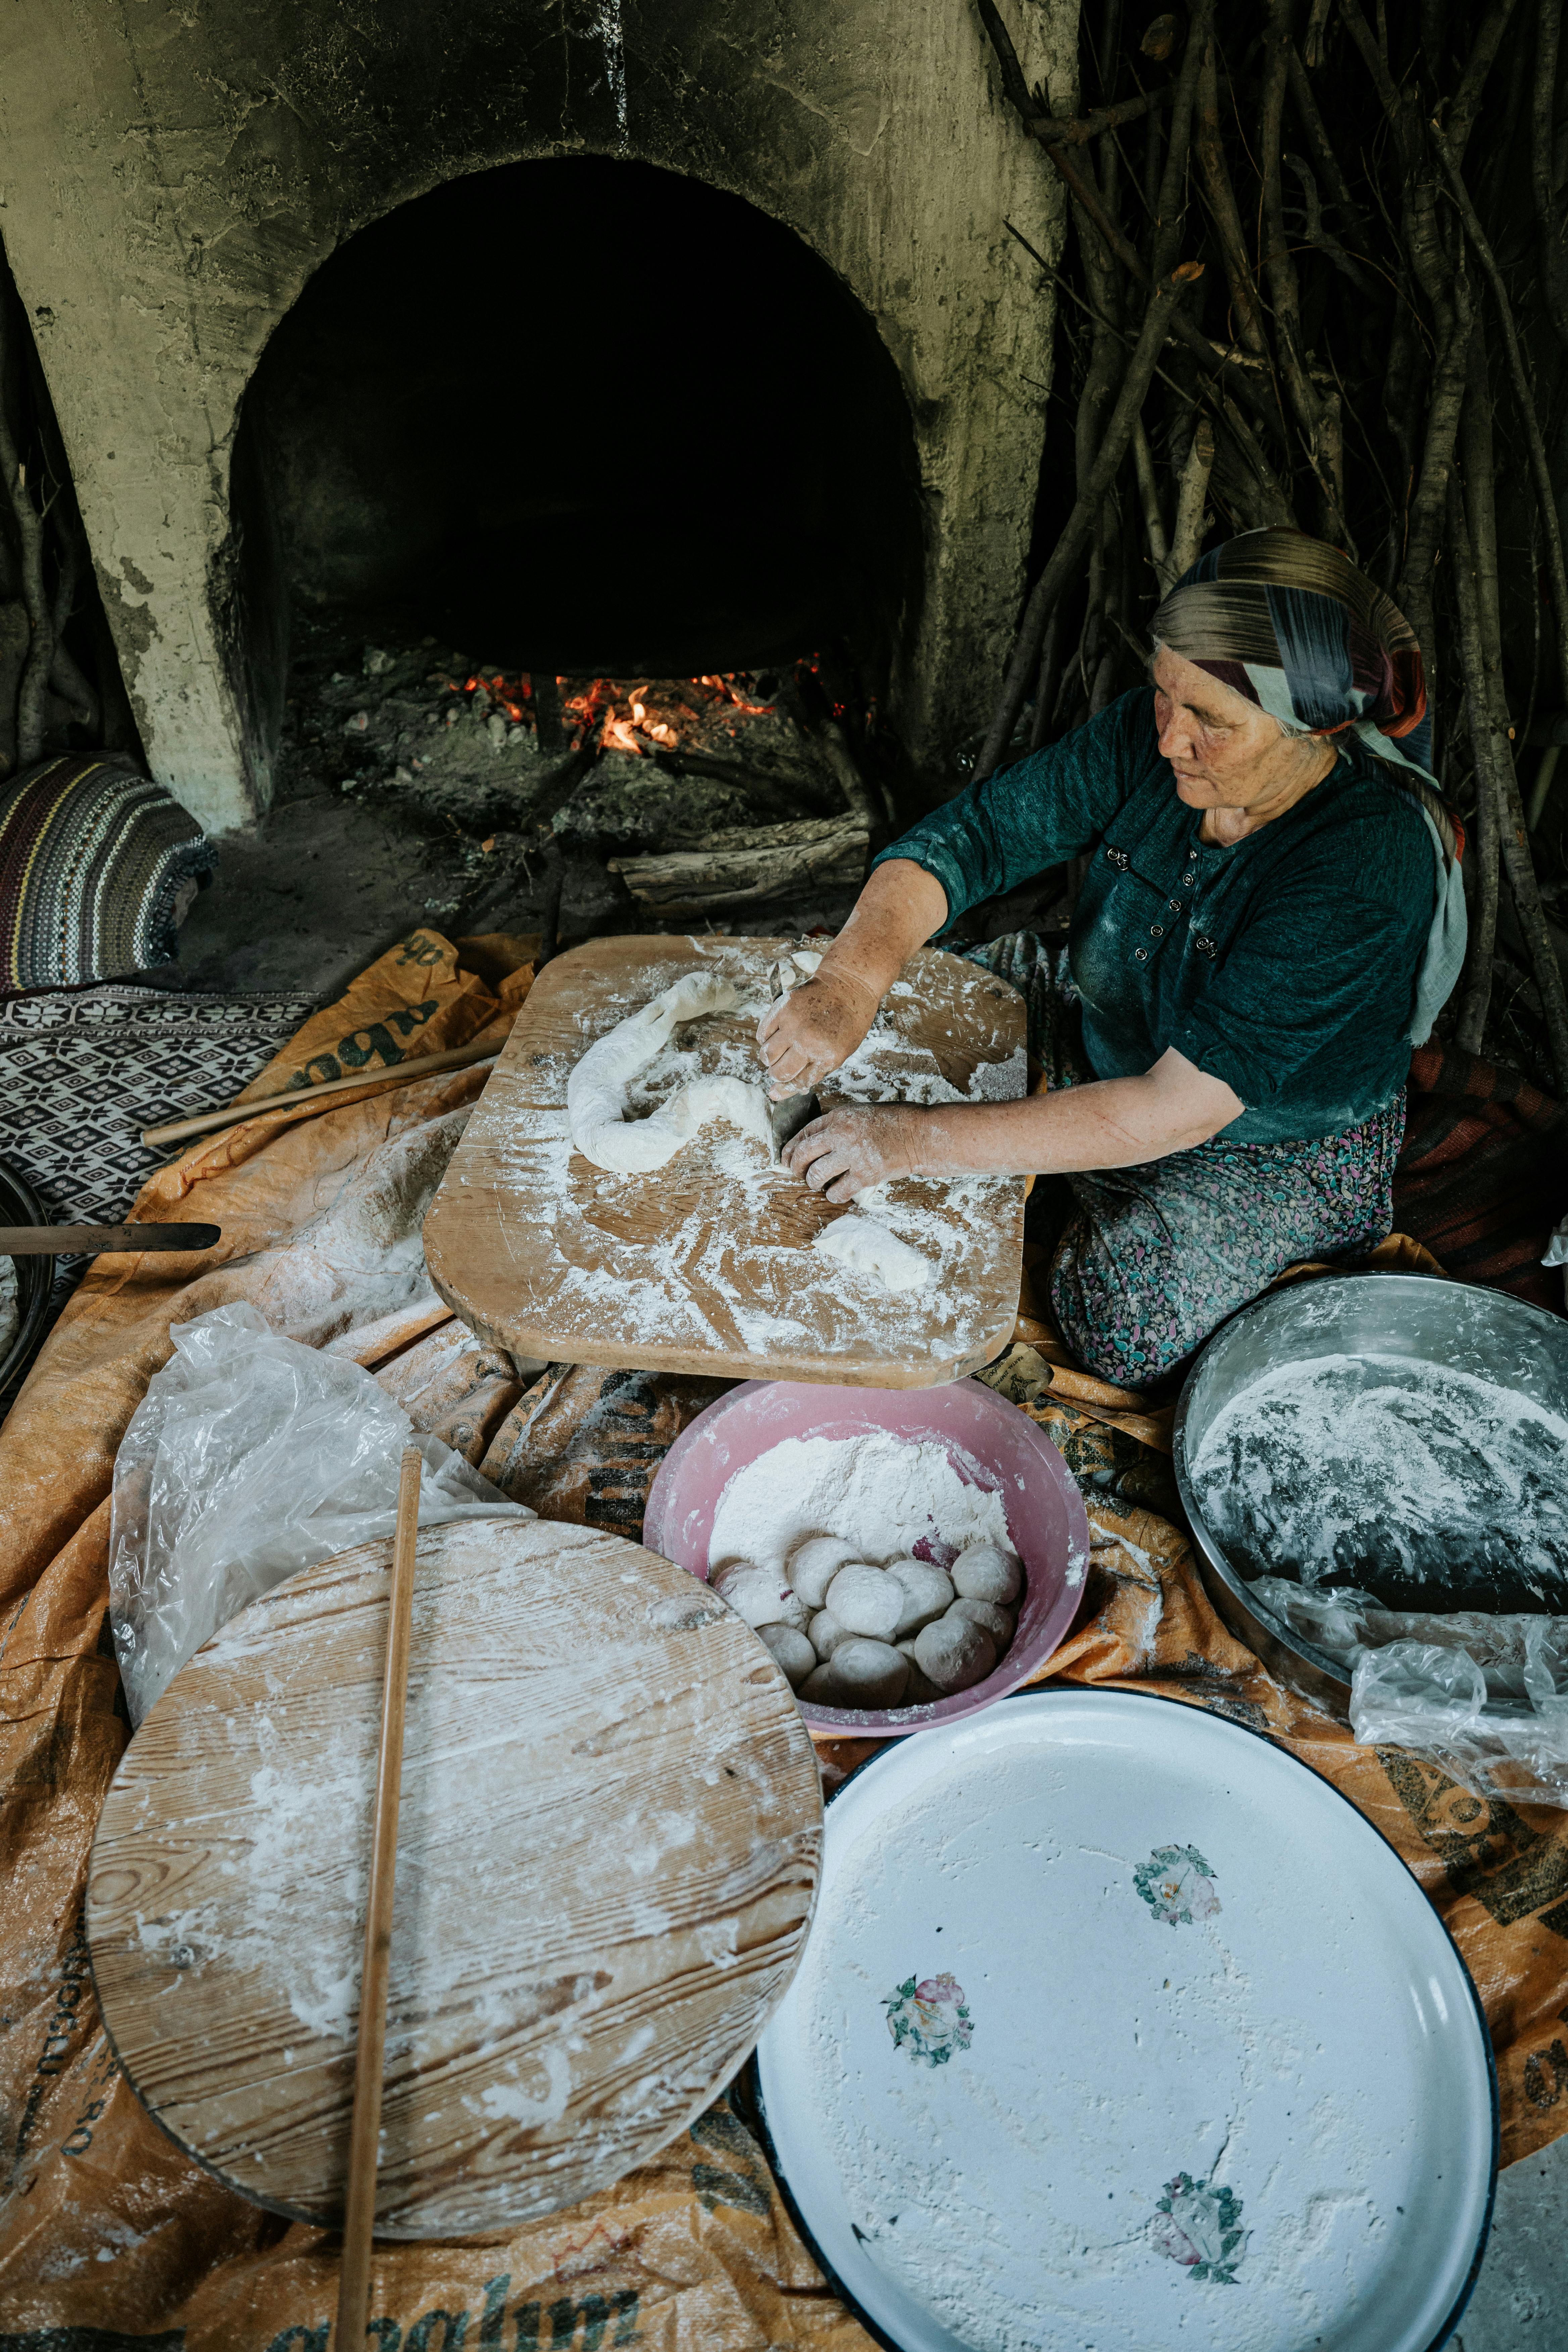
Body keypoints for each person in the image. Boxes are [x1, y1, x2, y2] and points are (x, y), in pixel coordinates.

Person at [758, 528, 1466, 1390]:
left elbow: (1177, 1109)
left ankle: (1063, 1177)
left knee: (1121, 1324)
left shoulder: (1361, 865)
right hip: (1096, 1017)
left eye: (1213, 720)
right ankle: (1044, 1157)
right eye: (1166, 695)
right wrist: (850, 978)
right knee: (899, 1001)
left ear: (1318, 729)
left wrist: (910, 1141)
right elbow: (979, 837)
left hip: (1252, 1138)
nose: (1170, 739)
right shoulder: (1148, 734)